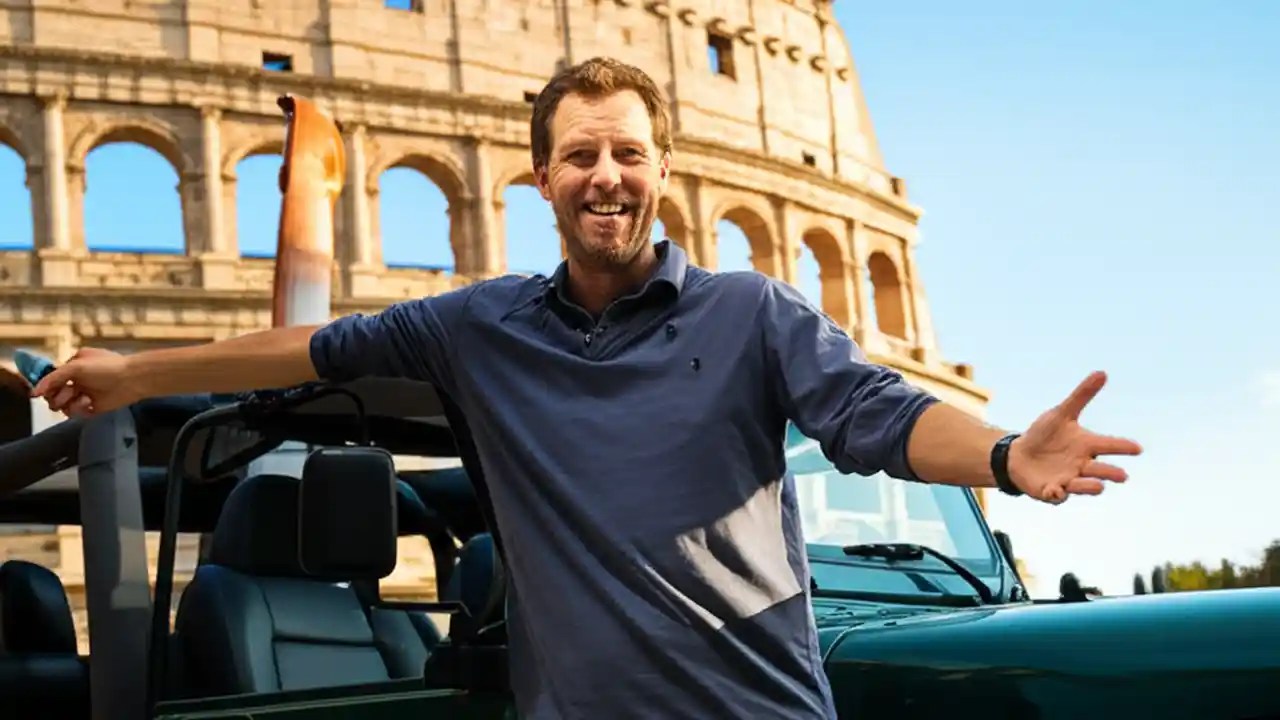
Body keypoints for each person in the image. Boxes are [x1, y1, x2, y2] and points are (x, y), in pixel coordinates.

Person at [32, 57, 1141, 719]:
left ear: (660, 170)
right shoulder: (477, 328)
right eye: (578, 156)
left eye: (626, 153)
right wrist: (138, 373)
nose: (604, 175)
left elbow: (881, 419)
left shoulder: (752, 312)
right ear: (541, 178)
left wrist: (1002, 457)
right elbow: (308, 351)